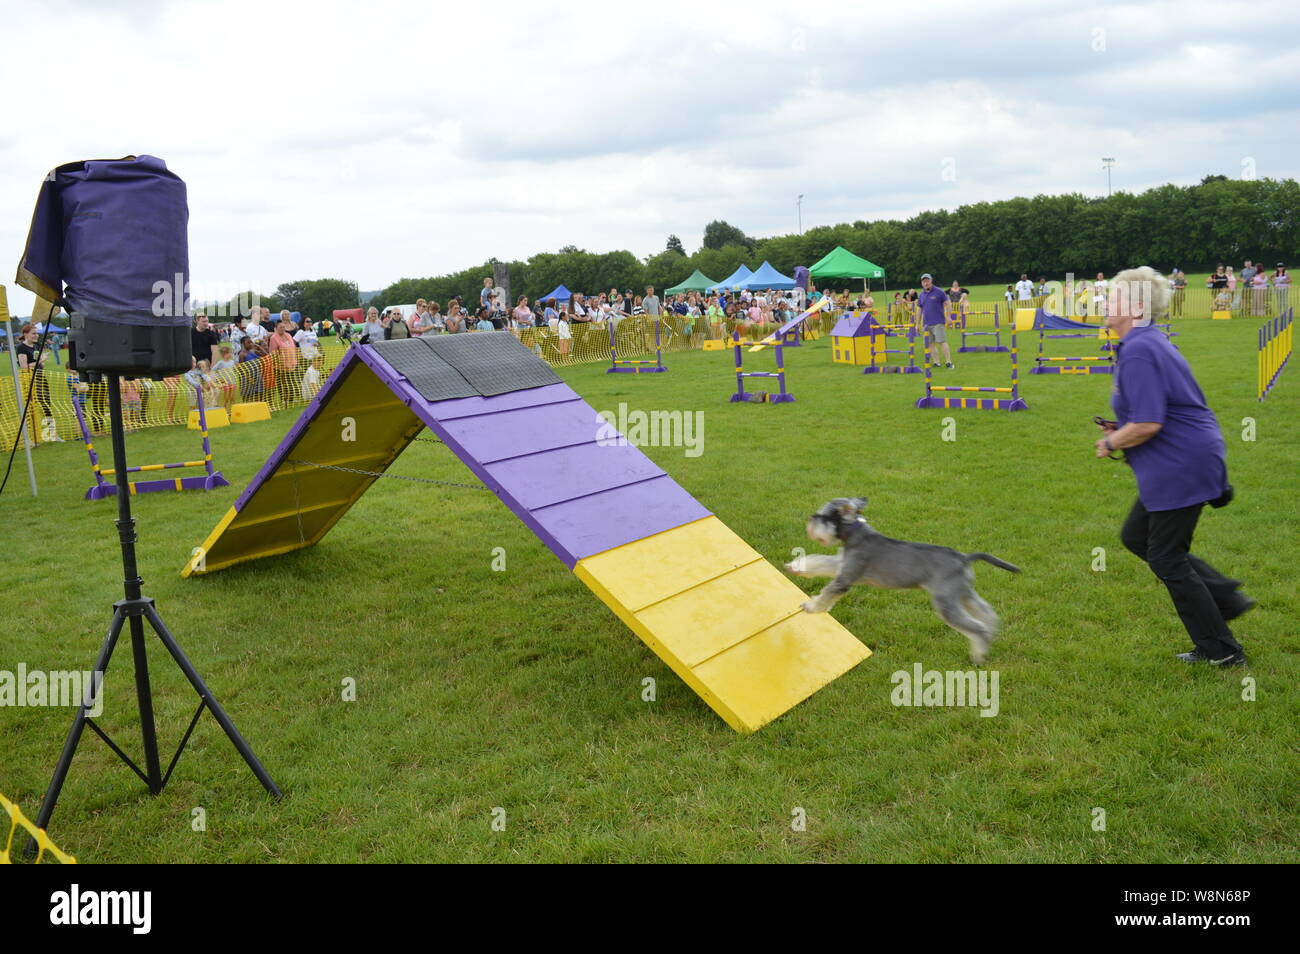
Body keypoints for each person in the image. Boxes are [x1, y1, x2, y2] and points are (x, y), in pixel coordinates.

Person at [1095, 266, 1251, 667]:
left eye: (1112, 297)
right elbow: (1151, 409)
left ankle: (1223, 651)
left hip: (1181, 462)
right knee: (1137, 536)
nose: (1104, 303)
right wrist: (1121, 426)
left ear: (1136, 307)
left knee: (1166, 557)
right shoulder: (1142, 343)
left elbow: (1149, 423)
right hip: (1182, 458)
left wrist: (1112, 440)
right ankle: (1224, 597)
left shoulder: (1142, 348)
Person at [917, 273, 954, 368]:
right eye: (924, 281)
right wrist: (917, 323)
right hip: (926, 324)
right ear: (922, 283)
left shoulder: (939, 292)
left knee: (942, 341)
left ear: (931, 281)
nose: (926, 283)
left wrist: (949, 316)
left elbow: (948, 303)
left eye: (927, 281)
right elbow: (919, 309)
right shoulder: (921, 295)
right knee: (930, 344)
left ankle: (948, 362)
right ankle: (937, 362)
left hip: (938, 322)